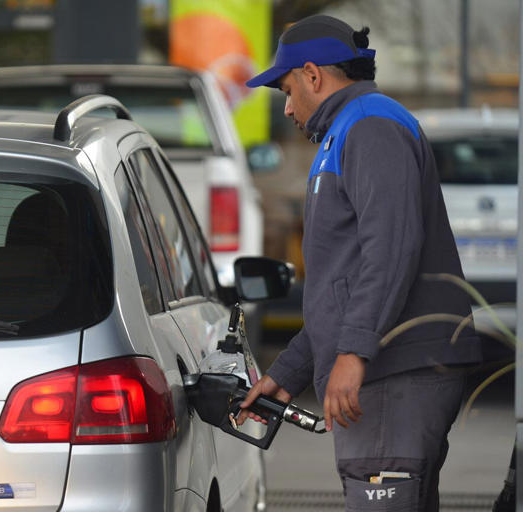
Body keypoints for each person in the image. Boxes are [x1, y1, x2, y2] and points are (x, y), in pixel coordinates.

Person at [237, 14, 482, 512]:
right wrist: (289, 371)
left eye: (287, 89)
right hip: (389, 368)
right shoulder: (351, 128)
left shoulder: (370, 126)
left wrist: (354, 352)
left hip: (395, 372)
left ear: (313, 75)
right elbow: (341, 286)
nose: (286, 108)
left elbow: (391, 248)